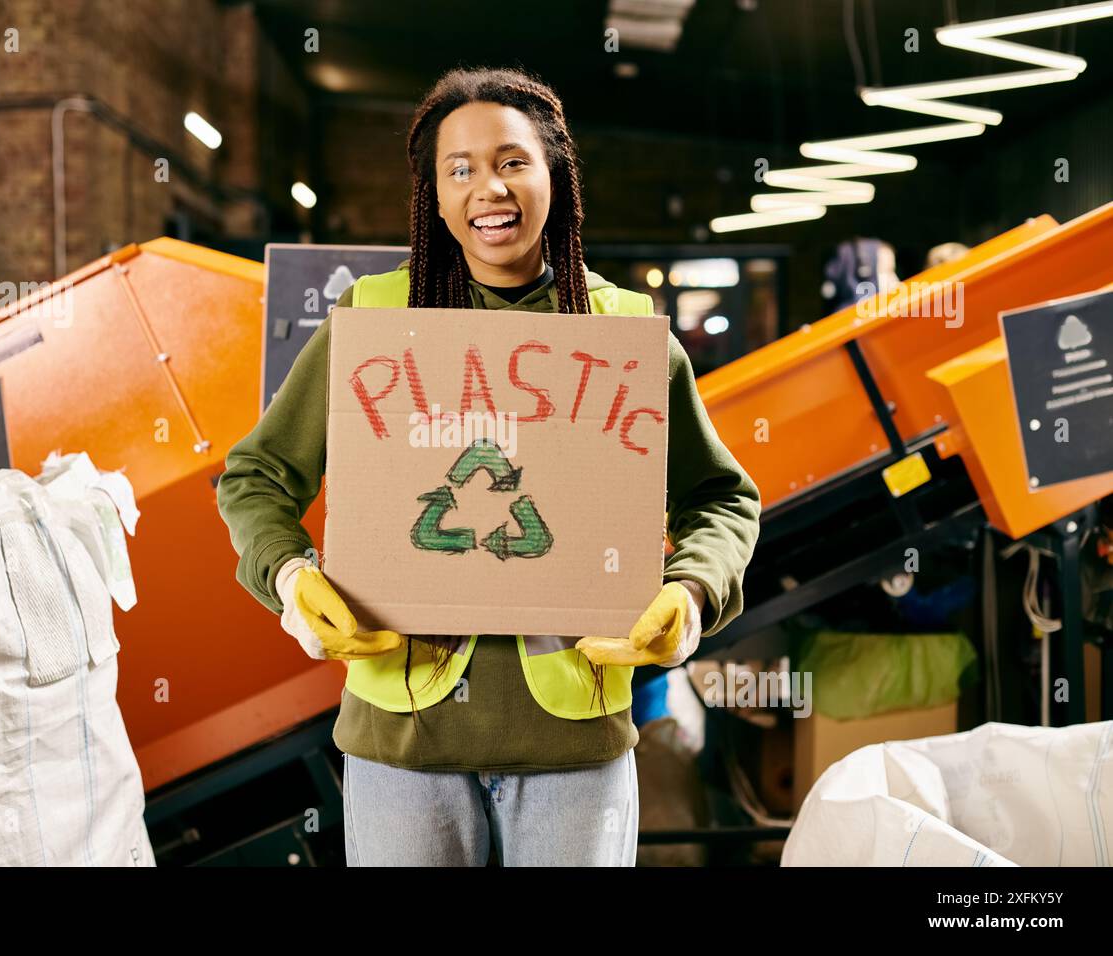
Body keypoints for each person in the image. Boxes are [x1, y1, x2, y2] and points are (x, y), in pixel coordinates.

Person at [217, 66, 760, 867]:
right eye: (459, 169)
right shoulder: (374, 322)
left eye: (512, 161)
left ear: (555, 176)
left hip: (575, 748)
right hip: (402, 748)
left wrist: (691, 588)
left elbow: (721, 497)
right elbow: (254, 477)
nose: (487, 189)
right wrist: (290, 578)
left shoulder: (621, 332)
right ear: (434, 198)